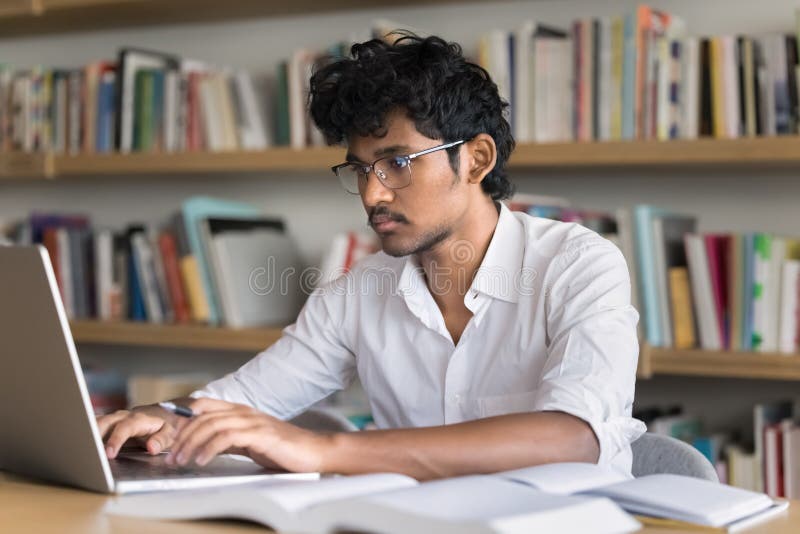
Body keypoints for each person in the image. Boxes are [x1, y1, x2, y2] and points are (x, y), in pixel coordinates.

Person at [98, 33, 644, 480]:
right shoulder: (357, 293)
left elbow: (572, 436)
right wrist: (163, 418)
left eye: (397, 163)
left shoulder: (578, 263)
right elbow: (245, 401)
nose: (372, 193)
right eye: (360, 168)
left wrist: (322, 451)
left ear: (475, 159)